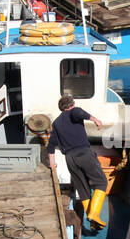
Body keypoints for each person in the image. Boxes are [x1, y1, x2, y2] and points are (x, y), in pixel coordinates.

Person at [46, 96, 108, 229]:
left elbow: (51, 145)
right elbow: (78, 113)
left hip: (70, 159)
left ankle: (92, 221)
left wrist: (52, 163)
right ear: (72, 104)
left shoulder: (56, 123)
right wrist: (95, 120)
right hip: (83, 153)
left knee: (83, 188)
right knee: (101, 182)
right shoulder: (74, 111)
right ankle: (94, 215)